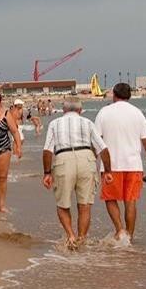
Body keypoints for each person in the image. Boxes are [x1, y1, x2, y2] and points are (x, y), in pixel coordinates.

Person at [94, 83, 146, 242]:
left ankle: (119, 230)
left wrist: (93, 162)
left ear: (114, 95)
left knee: (110, 198)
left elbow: (97, 141)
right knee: (130, 201)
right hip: (133, 165)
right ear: (129, 96)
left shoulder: (104, 112)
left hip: (111, 165)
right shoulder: (137, 113)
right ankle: (129, 237)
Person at [42, 98, 107, 249]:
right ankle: (82, 238)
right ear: (80, 110)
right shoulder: (88, 123)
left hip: (63, 159)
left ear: (63, 110)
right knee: (85, 205)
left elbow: (47, 150)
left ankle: (71, 235)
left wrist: (47, 173)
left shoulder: (54, 123)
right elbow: (102, 148)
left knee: (63, 204)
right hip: (86, 158)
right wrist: (108, 171)